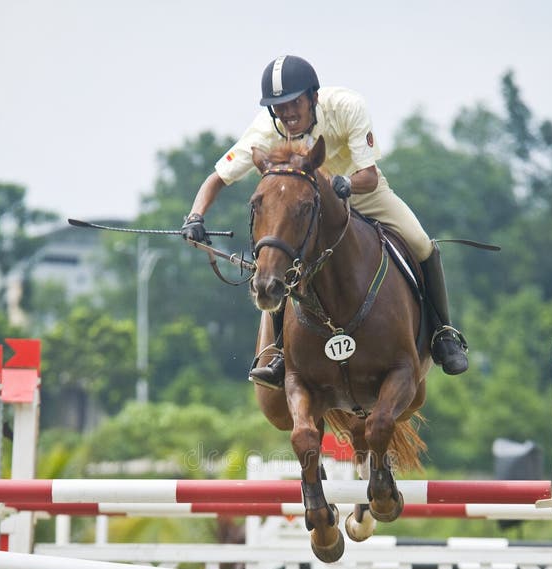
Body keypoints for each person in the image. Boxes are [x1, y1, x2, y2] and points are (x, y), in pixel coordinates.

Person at [182, 54, 468, 389]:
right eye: (279, 107)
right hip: (307, 210)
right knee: (279, 260)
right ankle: (279, 353)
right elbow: (218, 177)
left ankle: (442, 333)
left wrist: (342, 184)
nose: (288, 113)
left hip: (360, 191)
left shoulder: (348, 107)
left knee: (421, 243)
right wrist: (195, 216)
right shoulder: (265, 130)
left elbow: (368, 177)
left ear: (313, 97)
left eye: (295, 103)